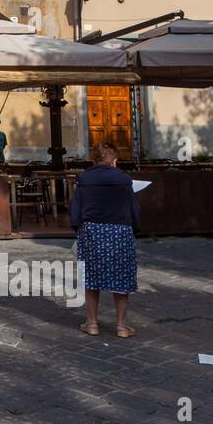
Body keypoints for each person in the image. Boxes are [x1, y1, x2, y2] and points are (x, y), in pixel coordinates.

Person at [70, 142, 139, 338]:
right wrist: (135, 227)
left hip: (92, 230)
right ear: (114, 161)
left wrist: (77, 228)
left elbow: (76, 208)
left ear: (94, 160)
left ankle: (92, 324)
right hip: (120, 231)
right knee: (122, 279)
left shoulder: (84, 178)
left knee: (91, 278)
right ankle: (121, 326)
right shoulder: (123, 179)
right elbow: (133, 208)